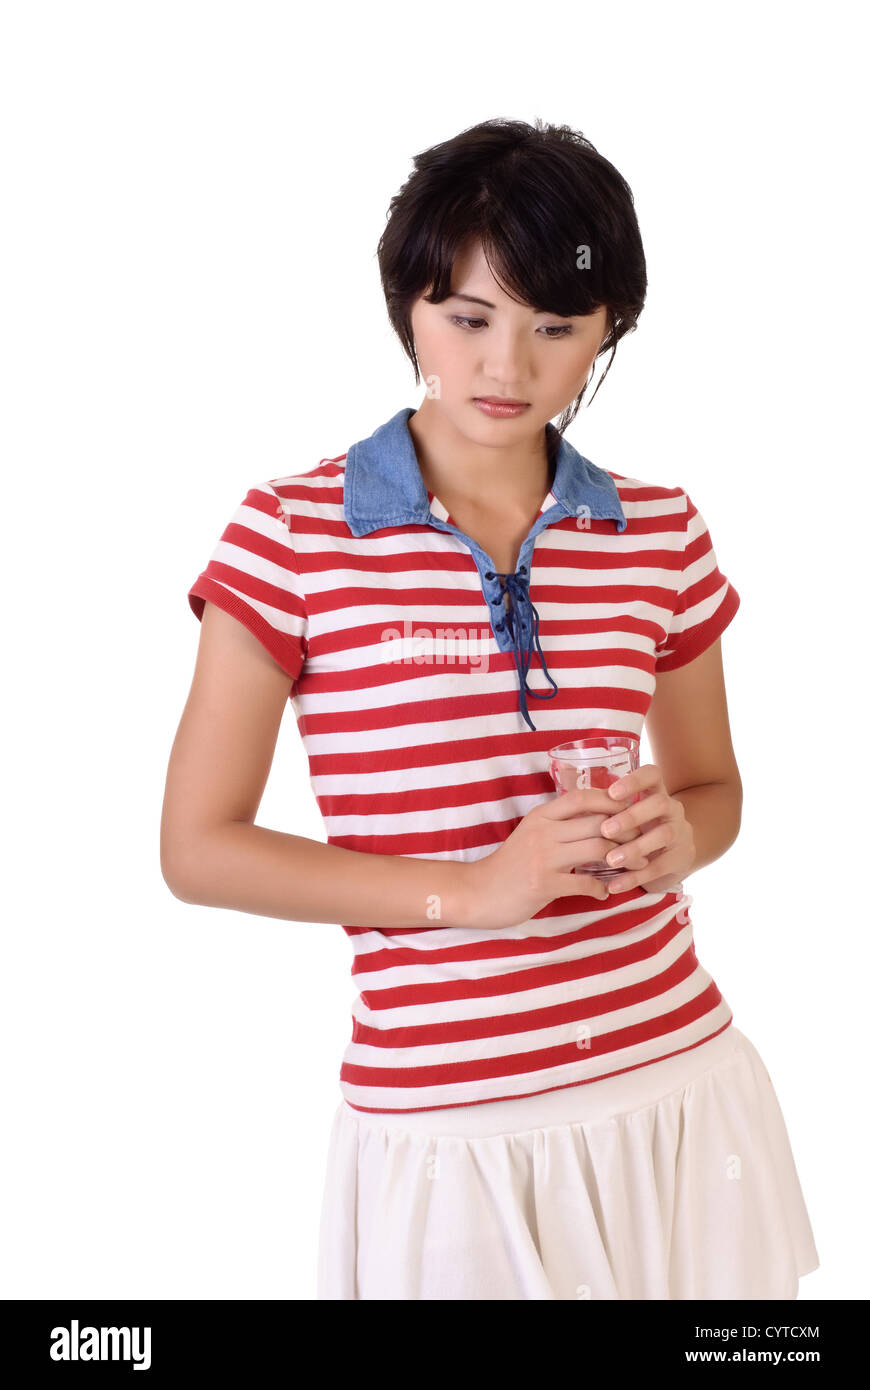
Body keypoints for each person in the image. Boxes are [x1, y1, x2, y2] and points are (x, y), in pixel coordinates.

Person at [161, 117, 819, 1300]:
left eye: (555, 327)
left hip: (675, 1083)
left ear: (608, 330)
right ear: (409, 310)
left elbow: (714, 793)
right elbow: (197, 850)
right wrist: (469, 893)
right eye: (467, 319)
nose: (506, 368)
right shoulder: (293, 534)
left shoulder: (659, 530)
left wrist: (683, 835)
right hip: (449, 1126)